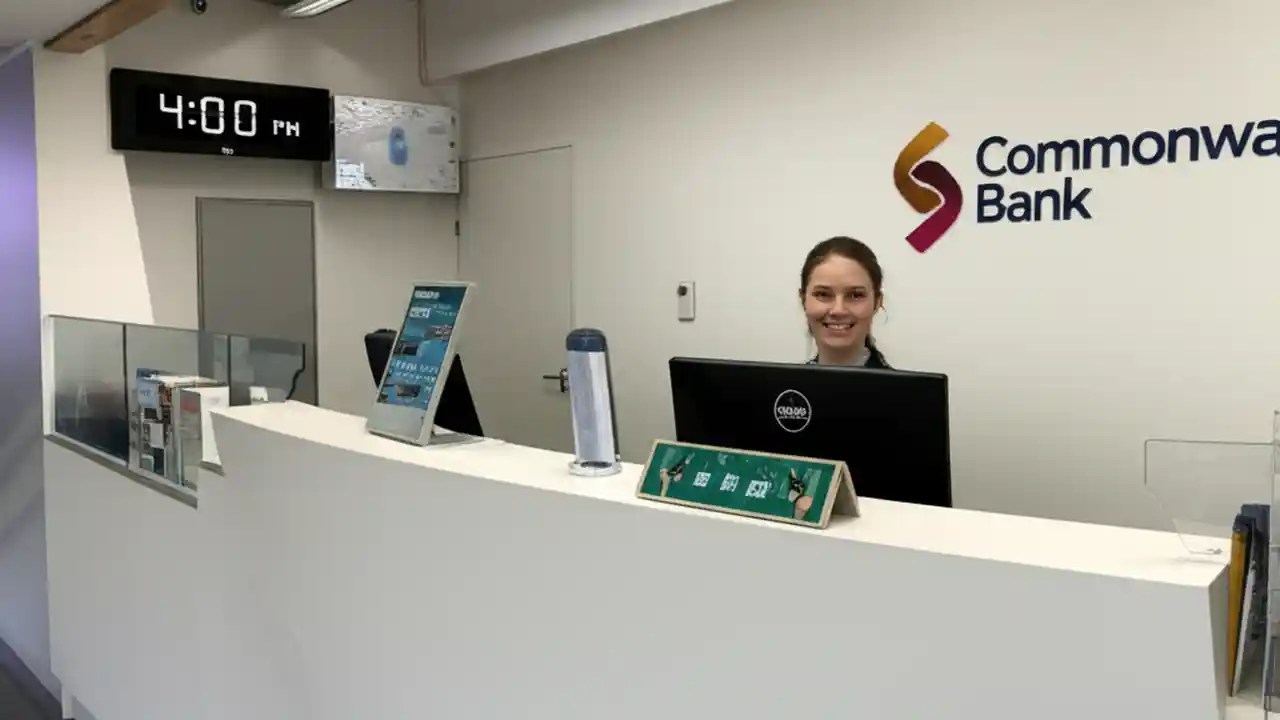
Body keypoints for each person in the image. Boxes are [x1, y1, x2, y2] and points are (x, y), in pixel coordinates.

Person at [799, 236, 891, 368]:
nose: (838, 310)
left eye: (855, 295)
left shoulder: (908, 389)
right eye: (823, 294)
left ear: (877, 302)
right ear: (803, 300)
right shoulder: (776, 387)